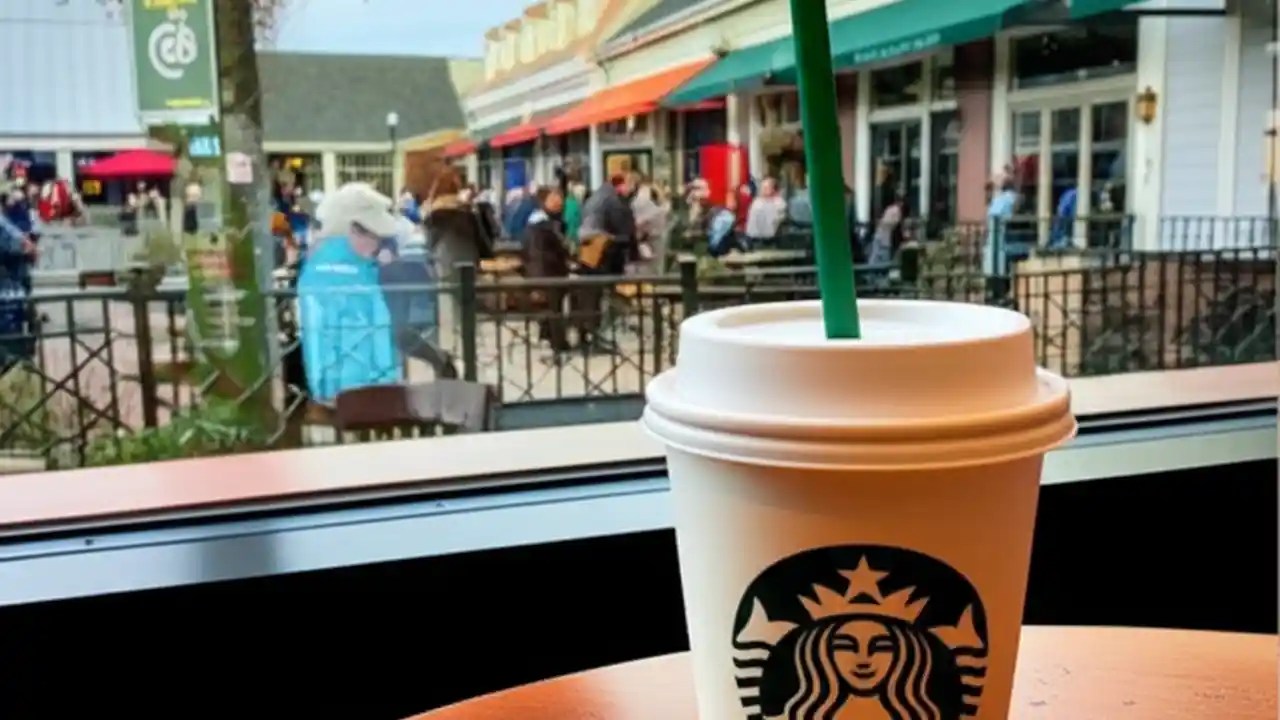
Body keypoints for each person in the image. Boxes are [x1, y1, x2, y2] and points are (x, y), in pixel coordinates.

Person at [297, 183, 403, 403]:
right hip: (364, 394)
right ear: (354, 230)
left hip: (335, 394)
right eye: (375, 237)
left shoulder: (317, 268)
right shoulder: (354, 276)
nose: (377, 246)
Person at [745, 177, 787, 241]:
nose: (762, 190)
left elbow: (779, 219)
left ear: (773, 189)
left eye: (766, 188)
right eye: (762, 188)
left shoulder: (779, 203)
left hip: (772, 239)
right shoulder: (757, 202)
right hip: (753, 238)